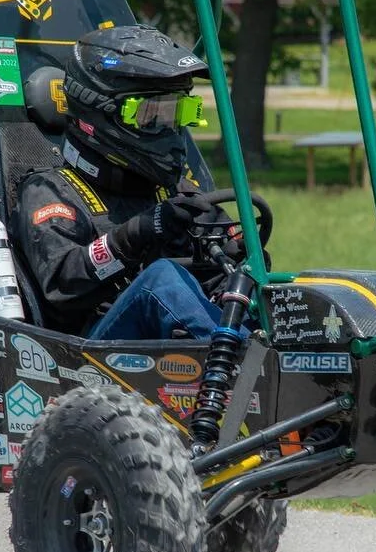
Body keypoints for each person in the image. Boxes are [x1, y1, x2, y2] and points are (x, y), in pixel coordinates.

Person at [13, 24, 229, 341]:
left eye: (179, 112)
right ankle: (238, 370)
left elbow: (221, 273)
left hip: (170, 361)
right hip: (88, 360)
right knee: (161, 280)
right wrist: (132, 236)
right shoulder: (49, 190)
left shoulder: (172, 190)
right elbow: (61, 285)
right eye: (149, 115)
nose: (167, 127)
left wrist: (232, 262)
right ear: (97, 113)